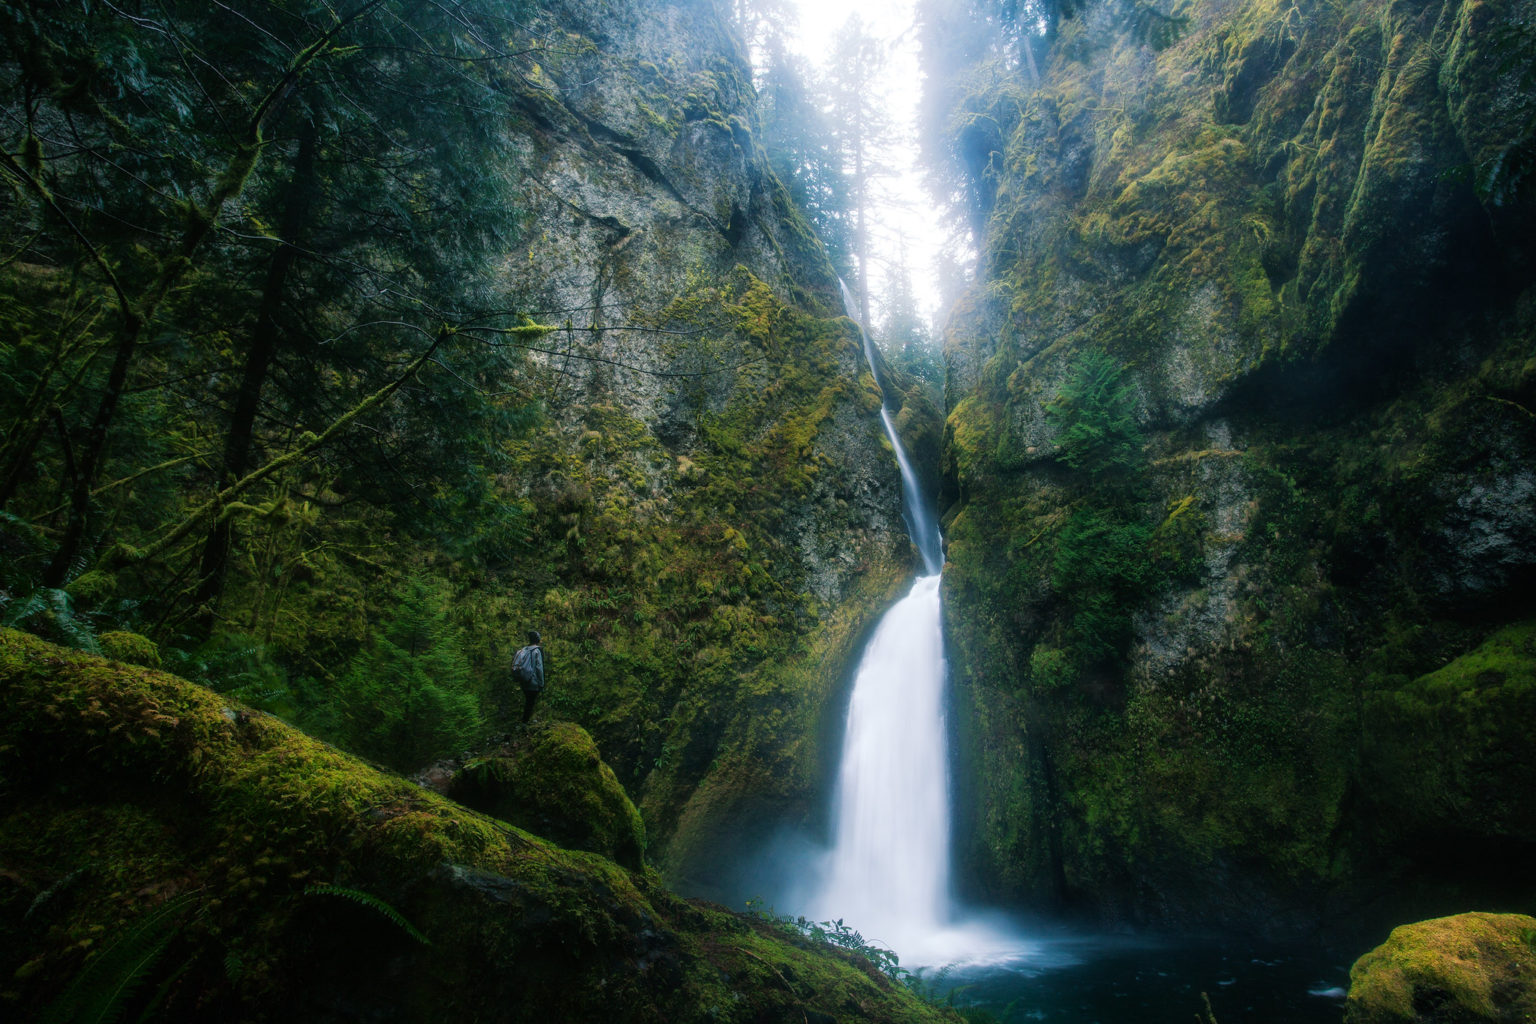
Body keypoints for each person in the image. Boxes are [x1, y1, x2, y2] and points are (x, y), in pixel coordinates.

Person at [512, 629, 546, 724]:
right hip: (533, 681)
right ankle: (526, 722)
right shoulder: (536, 651)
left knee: (528, 701)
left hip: (524, 680)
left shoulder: (524, 649)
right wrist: (541, 683)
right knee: (530, 702)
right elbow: (539, 668)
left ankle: (526, 721)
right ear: (537, 639)